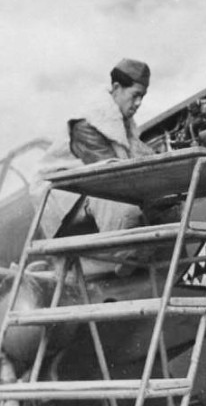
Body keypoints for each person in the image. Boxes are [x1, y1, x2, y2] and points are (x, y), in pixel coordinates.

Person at [35, 58, 157, 273]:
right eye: (135, 95)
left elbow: (134, 157)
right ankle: (124, 266)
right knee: (122, 207)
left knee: (165, 205)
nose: (138, 103)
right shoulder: (88, 123)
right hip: (62, 198)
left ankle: (158, 263)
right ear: (117, 88)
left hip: (85, 190)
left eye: (142, 97)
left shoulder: (123, 124)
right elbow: (109, 175)